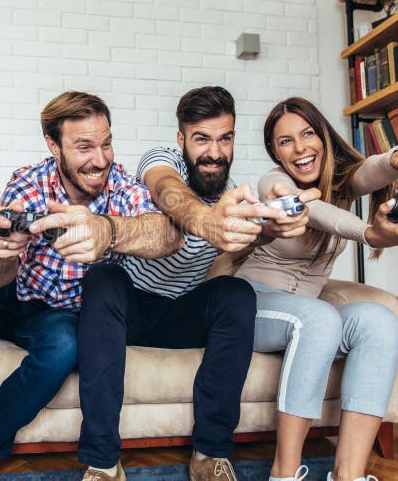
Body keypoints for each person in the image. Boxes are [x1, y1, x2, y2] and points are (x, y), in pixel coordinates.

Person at [0, 91, 182, 481]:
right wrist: (1, 253)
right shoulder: (29, 183)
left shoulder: (122, 187)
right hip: (15, 298)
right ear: (53, 145)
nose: (100, 160)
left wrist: (108, 230)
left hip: (63, 316)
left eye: (106, 143)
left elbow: (167, 235)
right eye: (84, 147)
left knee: (64, 345)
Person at [76, 86, 321, 481]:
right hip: (131, 308)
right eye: (201, 139)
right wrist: (207, 221)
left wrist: (276, 227)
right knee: (103, 278)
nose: (214, 152)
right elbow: (167, 191)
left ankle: (210, 454)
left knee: (236, 293)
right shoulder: (160, 161)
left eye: (224, 139)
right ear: (181, 140)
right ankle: (102, 461)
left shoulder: (235, 196)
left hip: (183, 313)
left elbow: (256, 235)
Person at [235, 97, 398, 481]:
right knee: (317, 318)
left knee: (379, 321)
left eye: (307, 134)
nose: (299, 148)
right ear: (275, 152)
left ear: (324, 137)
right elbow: (311, 211)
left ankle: (348, 474)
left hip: (308, 312)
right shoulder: (273, 183)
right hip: (253, 302)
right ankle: (283, 473)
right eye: (285, 142)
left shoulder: (340, 182)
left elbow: (371, 170)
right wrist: (369, 233)